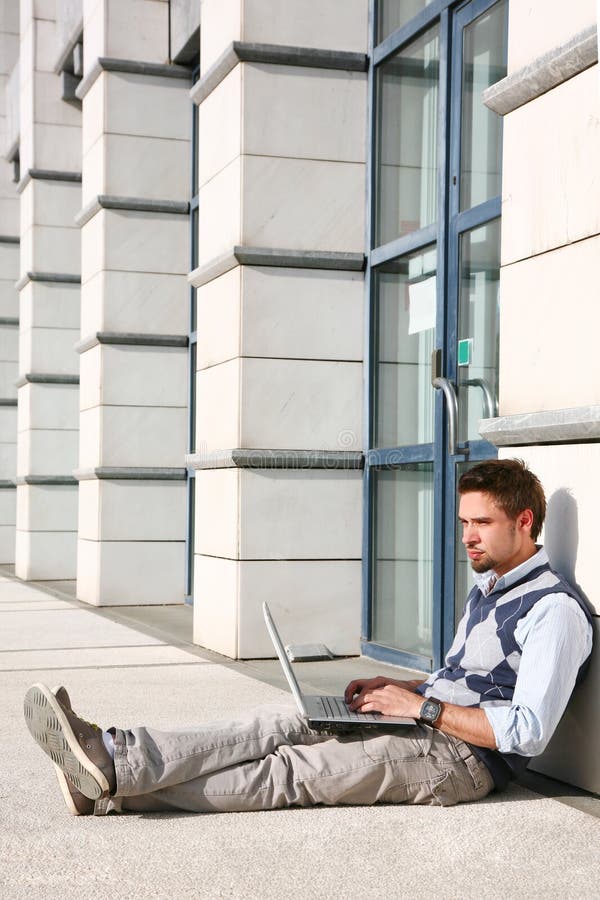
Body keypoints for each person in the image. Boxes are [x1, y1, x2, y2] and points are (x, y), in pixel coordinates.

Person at [24, 459, 593, 816]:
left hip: (460, 762)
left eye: (482, 524)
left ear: (524, 522)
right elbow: (462, 683)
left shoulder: (554, 612)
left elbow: (527, 732)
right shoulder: (490, 588)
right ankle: (116, 754)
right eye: (463, 522)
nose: (467, 537)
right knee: (273, 722)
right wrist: (396, 688)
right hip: (427, 721)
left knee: (294, 771)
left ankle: (112, 787)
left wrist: (419, 707)